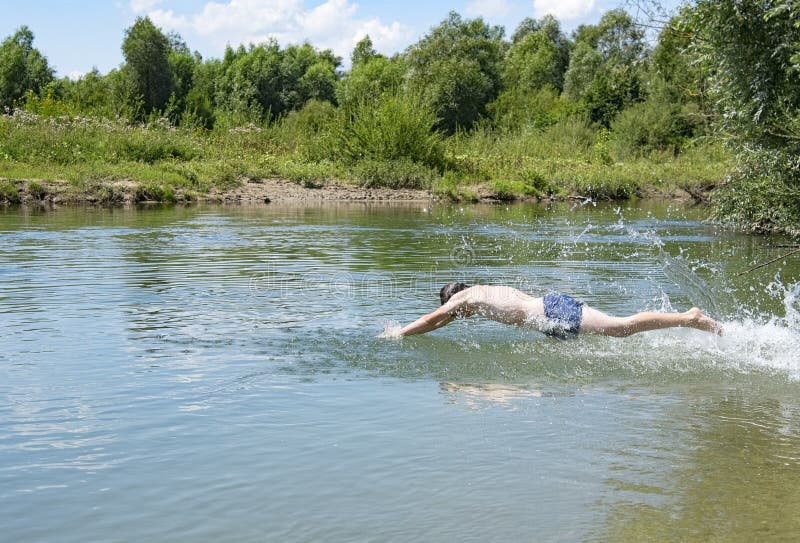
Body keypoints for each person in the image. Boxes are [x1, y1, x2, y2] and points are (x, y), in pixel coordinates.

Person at [392, 283, 722, 339]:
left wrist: (399, 333)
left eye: (453, 310)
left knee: (620, 329)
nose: (456, 317)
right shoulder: (480, 293)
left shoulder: (464, 298)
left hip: (551, 312)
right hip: (548, 319)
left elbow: (432, 319)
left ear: (453, 299)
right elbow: (440, 322)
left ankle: (688, 318)